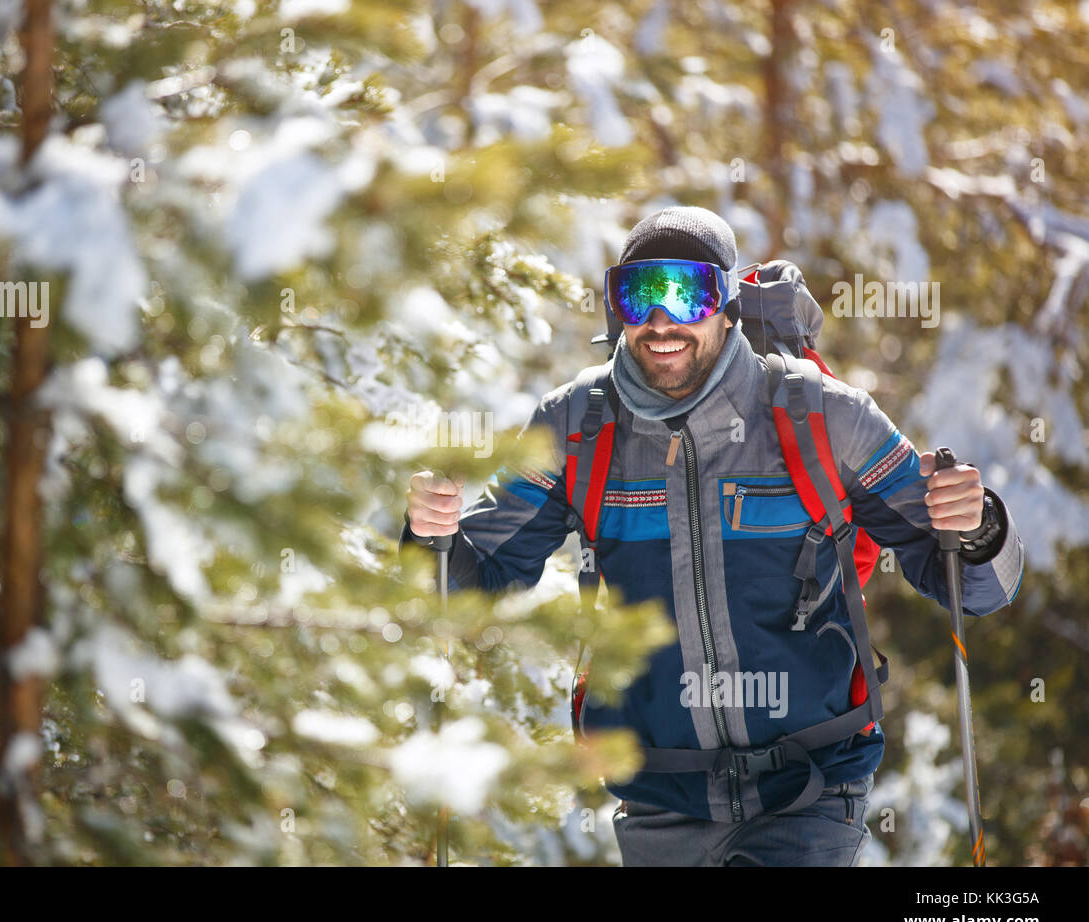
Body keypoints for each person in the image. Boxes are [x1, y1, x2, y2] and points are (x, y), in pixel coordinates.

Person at [402, 205, 1024, 866]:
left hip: (808, 787)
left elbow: (965, 579)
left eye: (687, 291)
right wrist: (430, 538)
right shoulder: (574, 429)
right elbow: (474, 590)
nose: (662, 319)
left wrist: (977, 524)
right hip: (659, 795)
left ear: (725, 300)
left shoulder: (823, 415)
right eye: (639, 293)